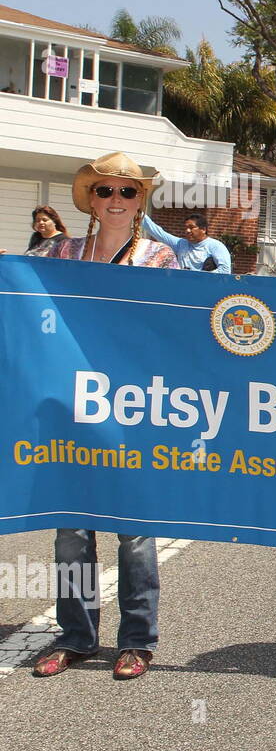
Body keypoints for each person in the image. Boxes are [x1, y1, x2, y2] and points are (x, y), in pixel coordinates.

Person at [33, 152, 179, 681]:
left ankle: (137, 641)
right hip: (69, 409)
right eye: (104, 191)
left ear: (141, 201)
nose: (115, 200)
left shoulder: (162, 260)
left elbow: (174, 334)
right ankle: (75, 636)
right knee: (70, 531)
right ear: (90, 200)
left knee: (134, 532)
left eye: (127, 191)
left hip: (134, 411)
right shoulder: (58, 252)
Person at [140, 210, 232, 273]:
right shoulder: (181, 244)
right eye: (186, 228)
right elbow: (158, 233)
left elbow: (225, 270)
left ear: (203, 229)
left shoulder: (215, 246)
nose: (187, 231)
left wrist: (200, 276)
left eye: (191, 227)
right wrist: (138, 213)